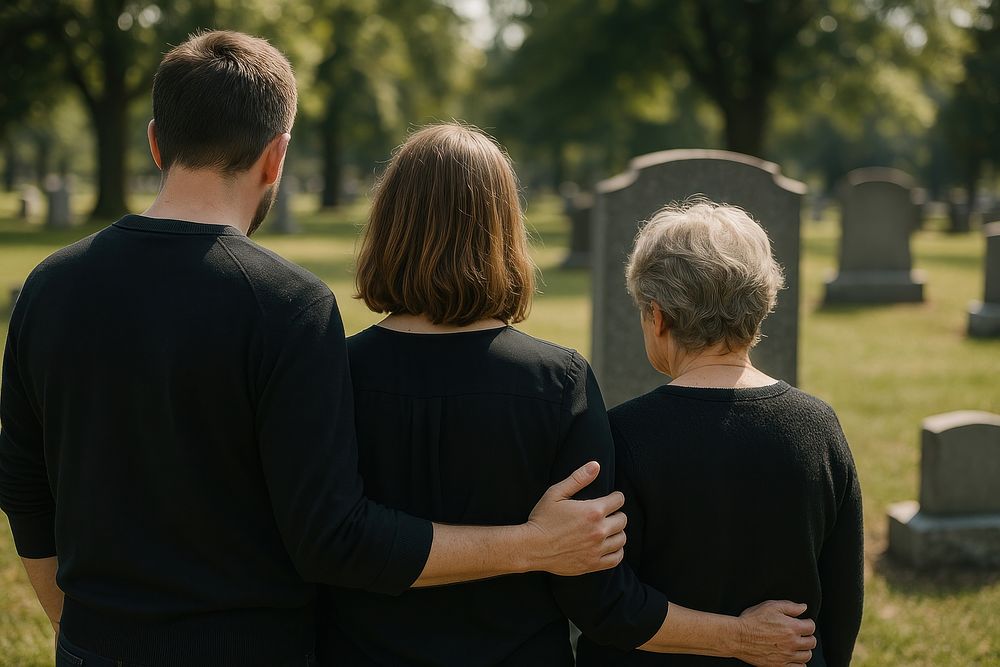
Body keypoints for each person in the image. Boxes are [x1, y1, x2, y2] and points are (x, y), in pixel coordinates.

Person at [0, 31, 634, 667]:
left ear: (155, 141)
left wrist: (79, 630)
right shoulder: (287, 305)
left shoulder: (48, 287)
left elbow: (24, 489)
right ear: (276, 157)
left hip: (92, 643)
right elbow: (332, 537)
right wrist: (532, 545)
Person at [317, 124, 818, 666]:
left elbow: (317, 543)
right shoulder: (557, 382)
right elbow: (595, 586)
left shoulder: (332, 371)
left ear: (389, 227)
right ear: (503, 230)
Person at [576, 201, 865, 666]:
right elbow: (843, 600)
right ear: (763, 304)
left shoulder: (623, 436)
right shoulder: (819, 427)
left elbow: (605, 604)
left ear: (658, 317)